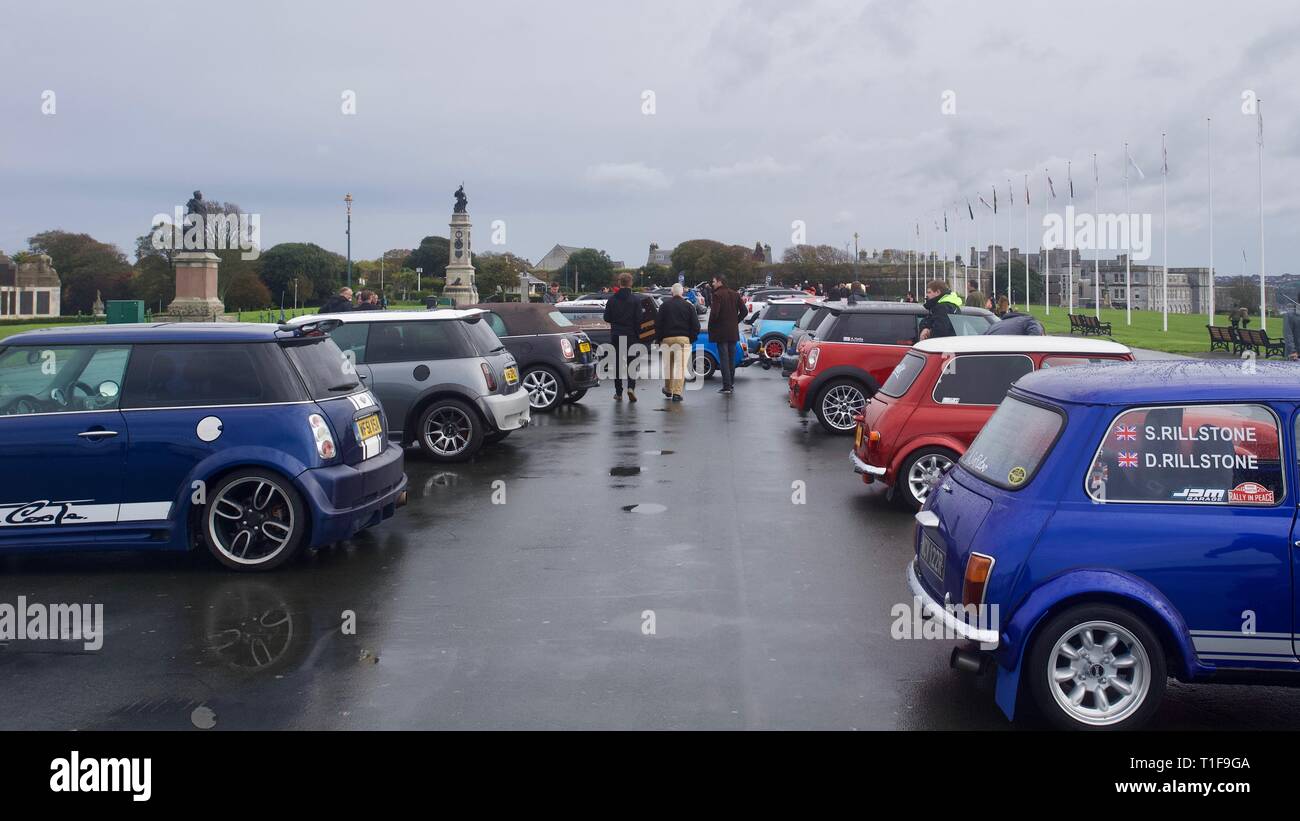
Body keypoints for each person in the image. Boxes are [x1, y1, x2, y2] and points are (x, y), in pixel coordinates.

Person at [602, 273, 641, 401]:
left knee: (617, 365)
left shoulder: (612, 300)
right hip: (631, 335)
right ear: (631, 283)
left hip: (616, 335)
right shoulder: (635, 300)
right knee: (632, 363)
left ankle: (618, 393)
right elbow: (639, 319)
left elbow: (606, 318)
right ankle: (631, 387)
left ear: (620, 283)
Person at [656, 283, 698, 401]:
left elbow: (658, 324)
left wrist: (659, 339)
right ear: (682, 293)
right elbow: (696, 325)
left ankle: (668, 389)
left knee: (668, 366)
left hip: (667, 339)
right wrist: (691, 338)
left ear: (671, 293)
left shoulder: (664, 306)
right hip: (683, 339)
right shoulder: (689, 306)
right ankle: (677, 393)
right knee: (680, 366)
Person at [707, 275, 745, 393]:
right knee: (731, 359)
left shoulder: (717, 295)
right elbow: (744, 311)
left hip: (721, 332)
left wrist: (711, 327)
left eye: (713, 281)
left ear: (720, 282)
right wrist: (735, 321)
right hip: (732, 332)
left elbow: (714, 314)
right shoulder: (735, 294)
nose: (712, 284)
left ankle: (727, 386)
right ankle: (731, 383)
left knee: (724, 359)